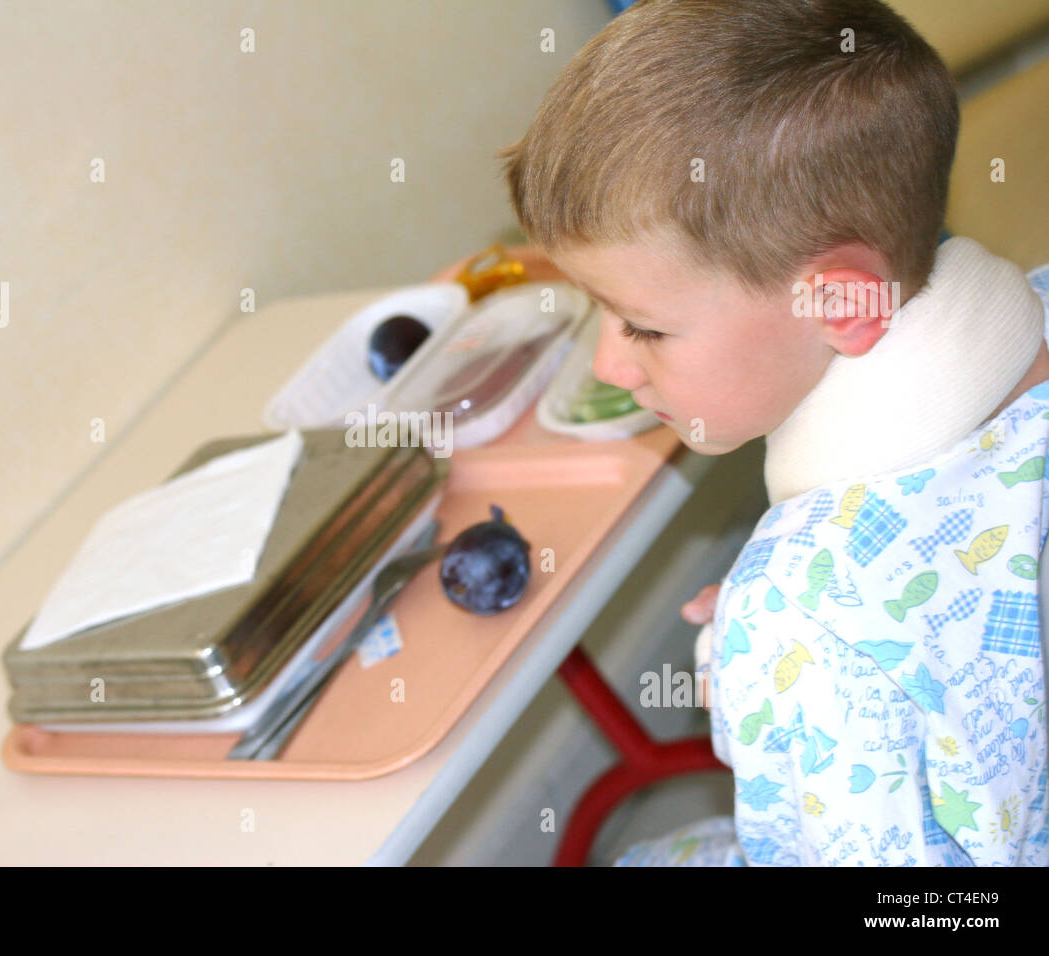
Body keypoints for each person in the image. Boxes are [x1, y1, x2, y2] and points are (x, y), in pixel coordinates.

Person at [434, 0, 1049, 865]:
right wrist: (815, 637)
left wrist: (787, 648)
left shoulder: (800, 612)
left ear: (837, 301)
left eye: (641, 324)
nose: (610, 363)